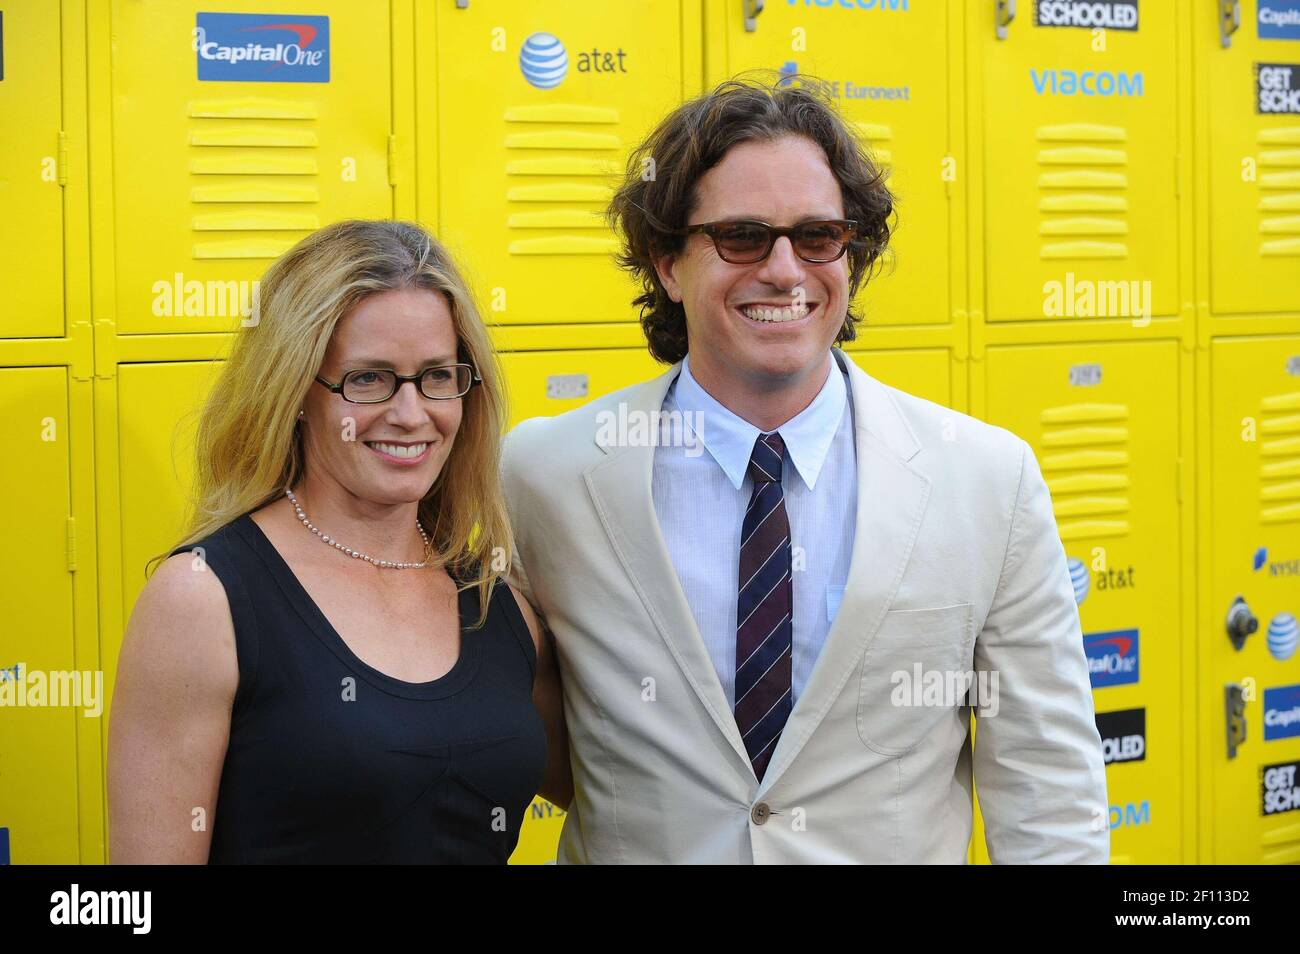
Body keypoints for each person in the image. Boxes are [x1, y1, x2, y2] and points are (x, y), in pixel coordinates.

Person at [501, 77, 1109, 863]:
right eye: (743, 237)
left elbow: (1048, 785)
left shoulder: (989, 481)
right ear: (666, 264)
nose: (785, 270)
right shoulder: (548, 473)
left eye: (819, 236)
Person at [108, 219, 571, 863]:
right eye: (368, 379)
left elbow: (620, 793)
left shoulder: (498, 599)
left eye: (437, 376)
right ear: (296, 391)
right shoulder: (203, 600)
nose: (411, 414)